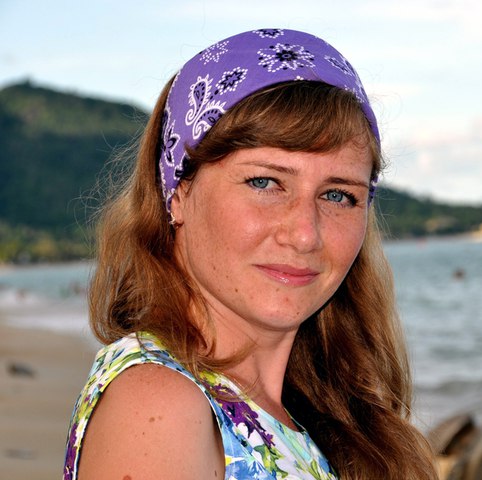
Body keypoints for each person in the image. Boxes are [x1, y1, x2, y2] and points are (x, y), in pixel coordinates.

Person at [63, 28, 437, 480]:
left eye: (337, 195)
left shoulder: (308, 414)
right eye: (264, 183)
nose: (305, 235)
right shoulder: (160, 406)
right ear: (177, 193)